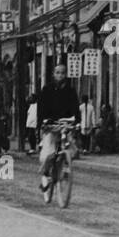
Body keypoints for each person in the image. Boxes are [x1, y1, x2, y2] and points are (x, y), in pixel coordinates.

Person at [36, 62, 80, 194]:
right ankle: (45, 175)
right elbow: (41, 108)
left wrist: (77, 121)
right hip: (51, 125)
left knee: (71, 149)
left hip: (65, 125)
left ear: (66, 75)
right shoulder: (47, 90)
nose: (60, 75)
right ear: (53, 74)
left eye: (63, 72)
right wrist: (43, 121)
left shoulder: (71, 91)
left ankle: (63, 168)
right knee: (48, 153)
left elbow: (75, 108)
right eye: (58, 72)